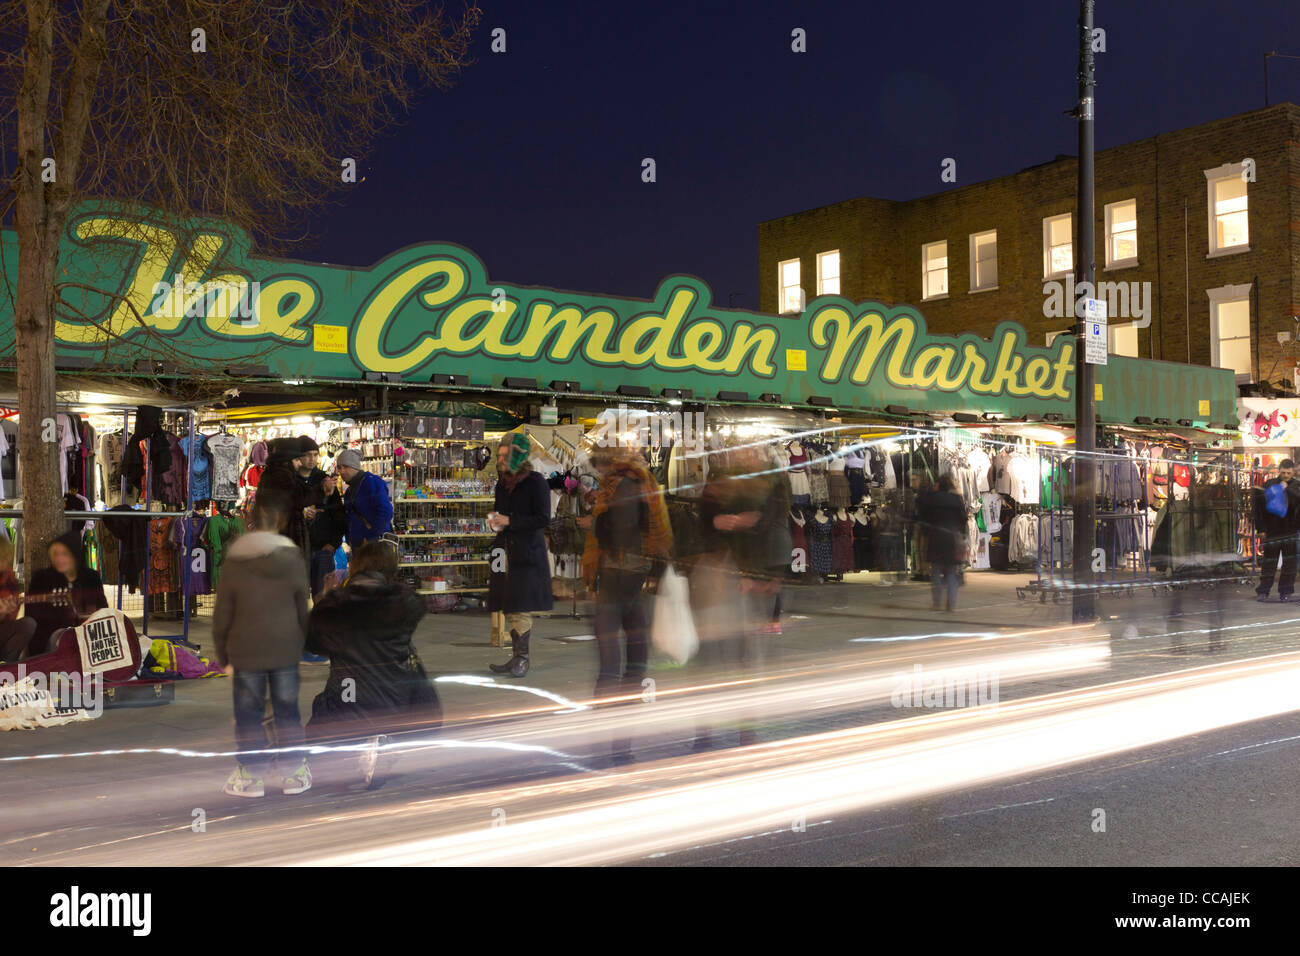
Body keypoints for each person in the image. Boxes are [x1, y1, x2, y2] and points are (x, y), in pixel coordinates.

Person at [305, 540, 440, 787]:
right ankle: (381, 741)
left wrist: (324, 598)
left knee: (316, 727)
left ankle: (359, 742)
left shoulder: (337, 605)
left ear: (355, 567)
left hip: (349, 697)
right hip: (397, 698)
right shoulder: (404, 603)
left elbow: (312, 646)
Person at [212, 496, 312, 798]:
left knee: (248, 715)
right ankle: (293, 774)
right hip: (284, 649)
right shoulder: (293, 558)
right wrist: (301, 642)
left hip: (245, 650)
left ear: (248, 520)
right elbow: (301, 608)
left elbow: (223, 613)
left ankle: (250, 777)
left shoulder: (235, 560)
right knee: (287, 713)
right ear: (280, 522)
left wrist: (223, 655)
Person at [581, 446, 672, 703]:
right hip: (636, 567)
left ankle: (607, 694)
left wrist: (595, 523)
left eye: (599, 468)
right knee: (636, 629)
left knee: (608, 633)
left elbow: (623, 525)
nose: (599, 473)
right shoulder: (636, 478)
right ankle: (633, 690)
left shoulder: (623, 484)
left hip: (621, 567)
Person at [487, 432, 553, 678]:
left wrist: (510, 520)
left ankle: (522, 658)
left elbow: (543, 518)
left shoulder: (535, 482)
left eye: (506, 455)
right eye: (500, 455)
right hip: (504, 550)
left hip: (527, 552)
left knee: (520, 606)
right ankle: (516, 657)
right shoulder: (502, 483)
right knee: (508, 604)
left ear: (518, 456)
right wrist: (496, 522)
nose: (501, 460)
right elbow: (501, 513)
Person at [24, 530, 109, 657]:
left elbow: (103, 609)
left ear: (74, 555)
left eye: (64, 554)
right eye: (55, 554)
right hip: (50, 639)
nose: (59, 559)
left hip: (88, 637)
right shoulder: (42, 578)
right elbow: (32, 614)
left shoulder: (91, 577)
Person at [296, 436, 346, 598]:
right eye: (307, 454)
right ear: (298, 456)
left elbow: (339, 515)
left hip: (323, 548)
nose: (312, 459)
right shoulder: (291, 481)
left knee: (323, 597)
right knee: (297, 598)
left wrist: (333, 543)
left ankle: (321, 624)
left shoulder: (326, 481)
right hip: (298, 549)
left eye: (315, 454)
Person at [916, 474, 968, 611]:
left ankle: (936, 603)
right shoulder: (957, 499)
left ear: (938, 485)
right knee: (951, 572)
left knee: (936, 571)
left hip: (936, 537)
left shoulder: (932, 499)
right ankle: (951, 603)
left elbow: (924, 517)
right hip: (952, 538)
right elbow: (963, 519)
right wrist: (961, 535)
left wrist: (926, 533)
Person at [1254, 459, 1300, 602]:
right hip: (1272, 530)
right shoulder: (1269, 484)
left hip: (1291, 530)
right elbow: (1259, 508)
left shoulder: (1297, 486)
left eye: (1288, 473)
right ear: (1279, 470)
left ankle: (1285, 592)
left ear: (1293, 472)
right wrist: (1261, 528)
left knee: (1289, 563)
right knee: (1269, 562)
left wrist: (1286, 489)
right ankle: (1263, 591)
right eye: (1283, 472)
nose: (1286, 475)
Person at [337, 448, 394, 552]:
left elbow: (386, 512)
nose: (342, 471)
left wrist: (369, 538)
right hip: (359, 547)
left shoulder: (372, 482)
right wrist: (350, 538)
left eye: (346, 467)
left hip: (375, 546)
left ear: (355, 466)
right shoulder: (349, 490)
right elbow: (349, 517)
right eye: (339, 468)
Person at [0, 538, 36, 662]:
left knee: (28, 624)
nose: (7, 561)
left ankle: (7, 667)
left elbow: (10, 619)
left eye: (6, 558)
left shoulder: (9, 577)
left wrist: (5, 612)